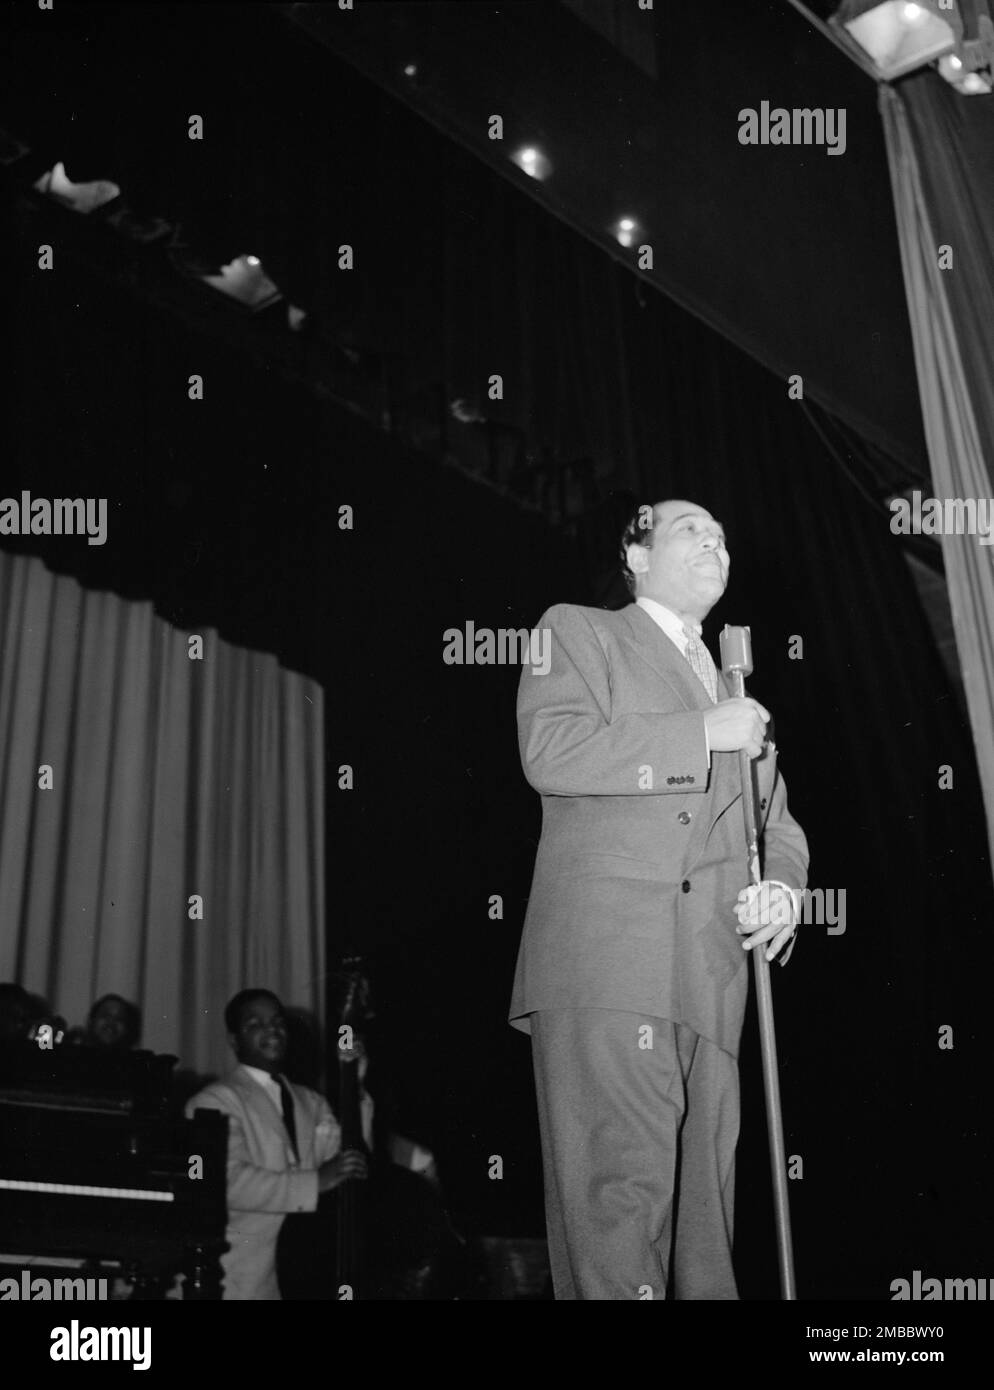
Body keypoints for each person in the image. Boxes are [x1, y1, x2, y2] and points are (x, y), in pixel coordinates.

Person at [510, 498, 809, 1300]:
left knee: (706, 1236)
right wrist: (701, 734)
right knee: (619, 1208)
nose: (714, 540)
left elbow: (776, 826)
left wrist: (782, 888)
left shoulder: (735, 688)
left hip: (711, 976)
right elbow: (551, 748)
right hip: (612, 962)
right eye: (689, 530)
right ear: (636, 556)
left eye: (722, 534)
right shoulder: (577, 629)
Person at [185, 989, 368, 1300]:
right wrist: (316, 1181)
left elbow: (351, 1164)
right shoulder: (213, 1101)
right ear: (234, 1040)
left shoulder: (312, 1102)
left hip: (304, 1278)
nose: (272, 1030)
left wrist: (356, 1084)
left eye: (278, 1022)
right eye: (255, 1024)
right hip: (239, 1281)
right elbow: (225, 1183)